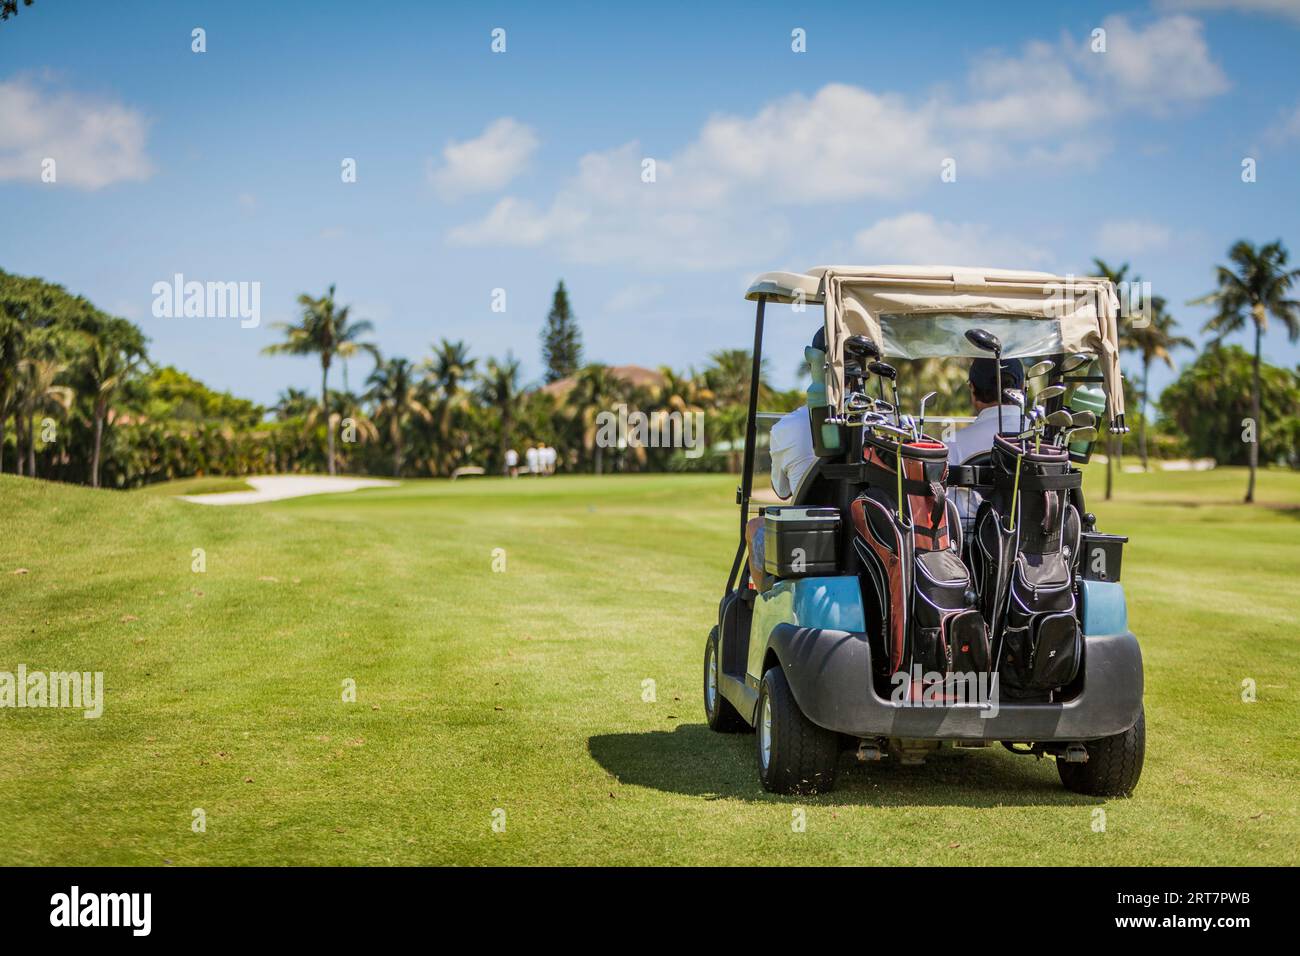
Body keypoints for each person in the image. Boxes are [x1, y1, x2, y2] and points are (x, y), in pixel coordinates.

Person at [745, 328, 823, 590]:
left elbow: (782, 490)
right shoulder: (887, 424)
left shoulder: (786, 428)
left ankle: (765, 602)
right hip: (868, 537)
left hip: (809, 537)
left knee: (754, 526)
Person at [946, 356, 1025, 533]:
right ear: (1021, 389)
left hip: (970, 548)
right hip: (1034, 545)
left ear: (972, 389)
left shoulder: (954, 444)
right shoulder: (1045, 440)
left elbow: (948, 508)